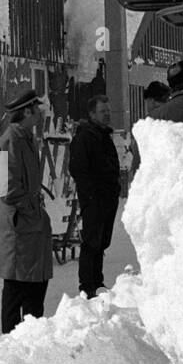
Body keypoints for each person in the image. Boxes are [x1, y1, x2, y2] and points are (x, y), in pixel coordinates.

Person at [0, 85, 53, 332]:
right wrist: (31, 211)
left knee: (34, 288)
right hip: (21, 227)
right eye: (38, 108)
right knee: (18, 288)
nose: (41, 112)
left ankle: (31, 340)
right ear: (27, 111)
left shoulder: (26, 138)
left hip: (30, 225)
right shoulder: (11, 140)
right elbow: (8, 189)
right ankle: (12, 343)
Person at [68, 94, 122, 299]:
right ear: (92, 114)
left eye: (108, 111)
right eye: (103, 111)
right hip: (94, 199)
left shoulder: (103, 135)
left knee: (101, 241)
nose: (107, 114)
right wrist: (91, 195)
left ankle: (97, 282)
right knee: (92, 241)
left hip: (107, 197)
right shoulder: (85, 137)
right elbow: (78, 169)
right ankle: (87, 285)